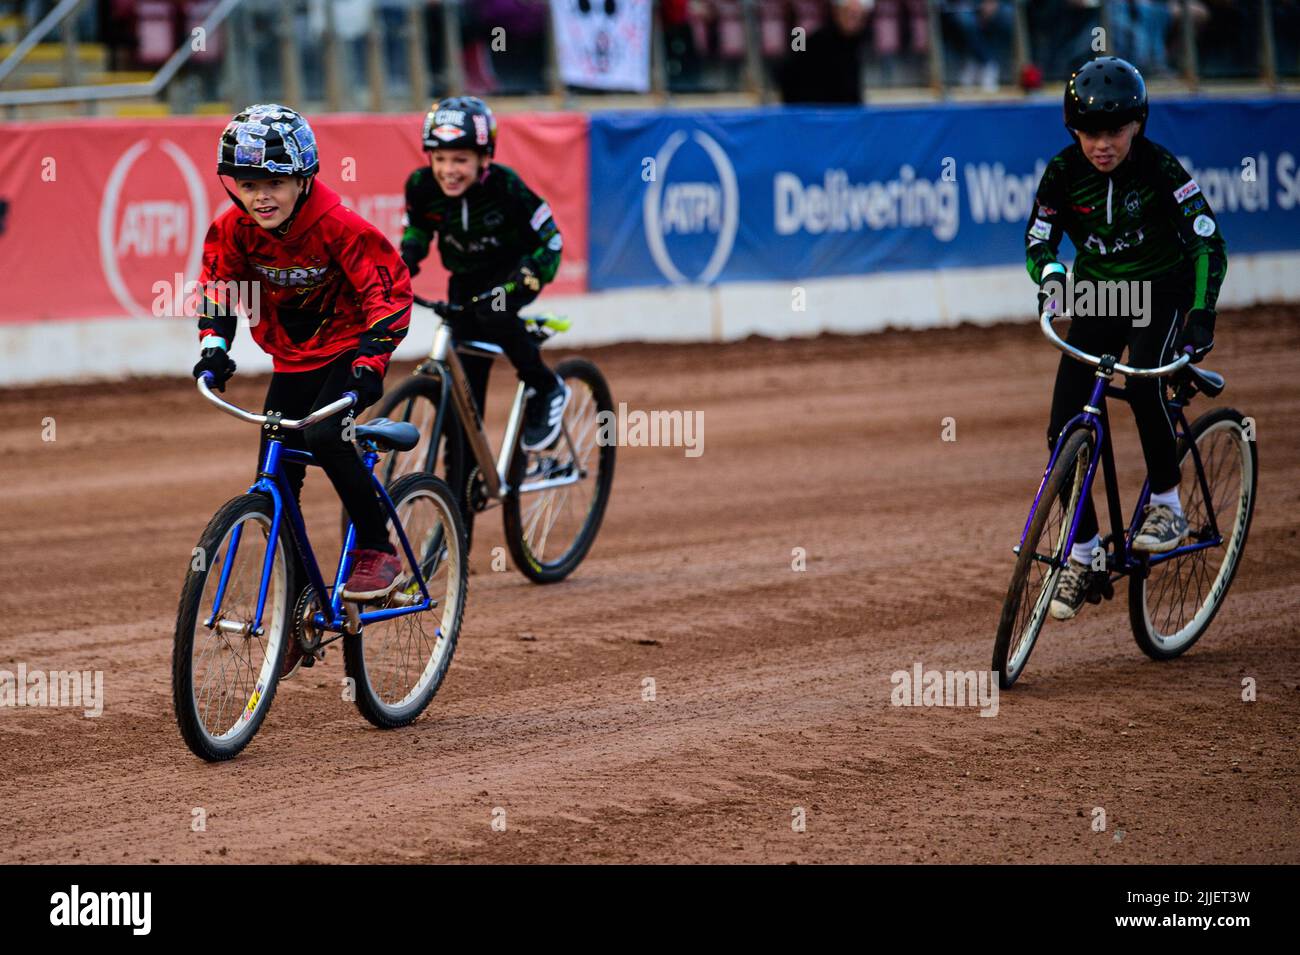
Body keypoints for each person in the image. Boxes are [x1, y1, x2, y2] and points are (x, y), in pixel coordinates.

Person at [191, 104, 414, 657]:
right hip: (291, 358)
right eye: (247, 184)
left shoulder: (339, 226)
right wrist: (215, 351)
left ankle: (379, 547)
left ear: (302, 177)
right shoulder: (232, 229)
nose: (260, 196)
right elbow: (220, 291)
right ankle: (301, 602)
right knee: (275, 476)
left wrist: (370, 364)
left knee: (323, 437)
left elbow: (386, 293)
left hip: (346, 347)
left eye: (274, 183)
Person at [1022, 57, 1227, 621]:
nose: (1102, 144)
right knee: (1064, 424)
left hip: (1162, 290)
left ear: (1137, 125)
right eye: (1089, 132)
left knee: (1141, 390)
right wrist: (1053, 276)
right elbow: (1040, 238)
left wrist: (1200, 317)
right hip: (1099, 297)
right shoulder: (1063, 173)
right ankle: (1082, 554)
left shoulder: (1161, 168)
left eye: (1114, 131)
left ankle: (1167, 503)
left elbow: (1209, 243)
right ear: (1073, 130)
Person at [399, 95, 568, 532]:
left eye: (461, 159)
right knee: (462, 416)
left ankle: (547, 387)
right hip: (466, 283)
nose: (449, 170)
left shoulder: (507, 188)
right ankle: (459, 537)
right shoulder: (421, 186)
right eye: (440, 158)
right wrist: (406, 261)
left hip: (517, 271)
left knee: (495, 312)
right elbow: (418, 227)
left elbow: (550, 239)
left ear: (484, 158)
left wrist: (526, 278)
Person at [779, 0, 871, 105]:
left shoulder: (859, 44)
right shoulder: (816, 43)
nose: (854, 20)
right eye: (849, 13)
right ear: (836, 12)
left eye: (857, 16)